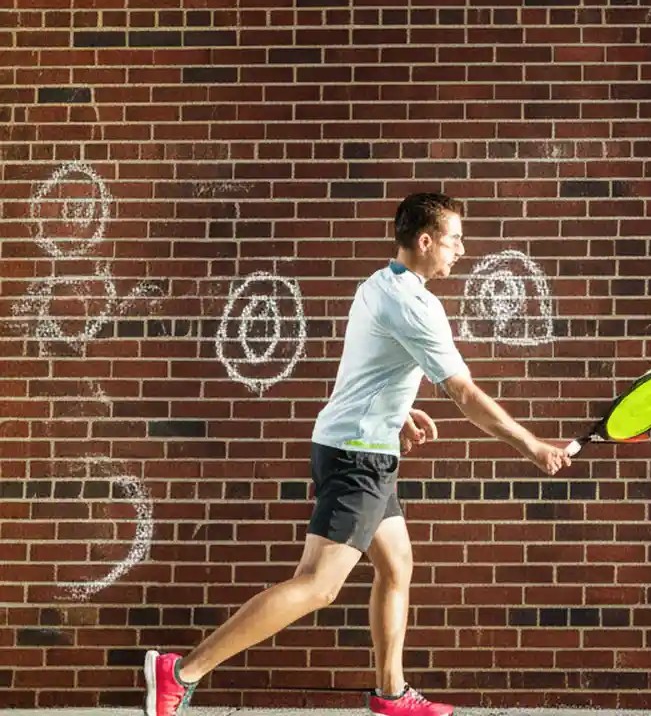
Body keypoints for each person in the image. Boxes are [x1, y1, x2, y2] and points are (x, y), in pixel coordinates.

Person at [142, 192, 572, 716]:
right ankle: (181, 672)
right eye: (455, 239)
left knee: (397, 567)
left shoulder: (380, 284)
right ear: (425, 240)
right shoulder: (415, 305)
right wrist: (531, 445)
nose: (461, 249)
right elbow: (463, 393)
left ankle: (391, 694)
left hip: (358, 446)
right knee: (319, 586)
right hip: (358, 458)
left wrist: (398, 414)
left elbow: (370, 368)